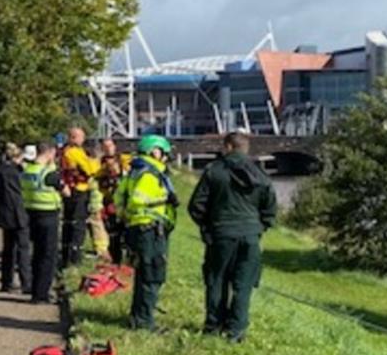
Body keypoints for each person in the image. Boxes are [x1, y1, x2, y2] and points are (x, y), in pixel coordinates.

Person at [188, 132, 277, 343]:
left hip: (221, 234)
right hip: (250, 236)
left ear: (228, 146)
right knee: (243, 285)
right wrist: (258, 228)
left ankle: (213, 326)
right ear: (245, 148)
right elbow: (270, 208)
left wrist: (208, 227)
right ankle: (236, 331)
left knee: (216, 281)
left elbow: (196, 206)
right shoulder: (260, 174)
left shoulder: (214, 171)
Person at [114, 134, 179, 331]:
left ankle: (138, 317)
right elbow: (138, 199)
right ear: (155, 152)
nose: (166, 157)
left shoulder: (135, 170)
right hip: (149, 229)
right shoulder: (150, 173)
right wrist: (165, 199)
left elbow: (119, 198)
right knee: (152, 275)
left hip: (137, 228)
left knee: (143, 274)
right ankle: (144, 322)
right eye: (164, 153)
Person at [20, 140, 64, 304]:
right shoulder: (48, 174)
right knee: (48, 256)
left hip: (31, 213)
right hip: (48, 215)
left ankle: (34, 289)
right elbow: (65, 191)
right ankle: (42, 294)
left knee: (37, 254)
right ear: (50, 152)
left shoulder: (28, 170)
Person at [0, 143, 31, 294]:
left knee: (8, 249)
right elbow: (21, 193)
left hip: (4, 214)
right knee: (23, 249)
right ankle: (26, 282)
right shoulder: (17, 172)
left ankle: (6, 281)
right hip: (18, 213)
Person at [59, 128, 100, 267]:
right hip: (78, 190)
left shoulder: (64, 151)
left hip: (69, 191)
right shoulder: (75, 152)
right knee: (78, 225)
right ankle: (74, 258)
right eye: (82, 137)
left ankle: (66, 255)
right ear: (74, 138)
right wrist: (94, 159)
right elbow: (91, 170)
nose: (83, 139)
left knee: (68, 223)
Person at [97, 138, 129, 264]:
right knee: (113, 235)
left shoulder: (123, 160)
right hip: (109, 202)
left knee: (126, 234)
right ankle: (115, 260)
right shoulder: (100, 164)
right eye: (105, 146)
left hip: (123, 203)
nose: (108, 148)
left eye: (110, 145)